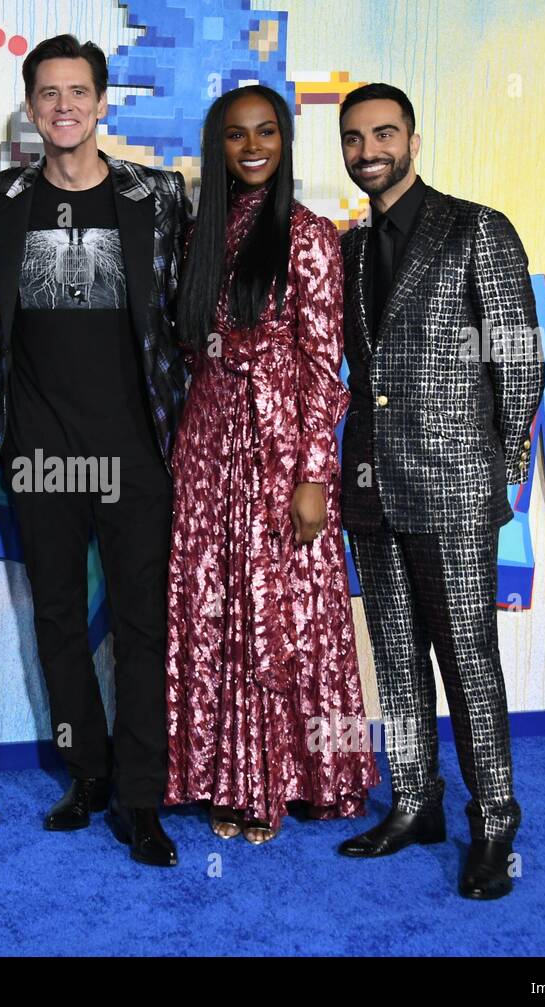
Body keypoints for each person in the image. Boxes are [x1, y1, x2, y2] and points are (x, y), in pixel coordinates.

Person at [0, 34, 192, 866]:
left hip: (136, 450)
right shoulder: (0, 199)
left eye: (79, 92)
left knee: (141, 627)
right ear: (31, 108)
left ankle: (142, 797)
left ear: (102, 103)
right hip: (38, 451)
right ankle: (88, 774)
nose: (64, 105)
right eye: (48, 93)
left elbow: (183, 316)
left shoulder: (157, 195)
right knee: (59, 619)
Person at [334, 83, 545, 899]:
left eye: (383, 134)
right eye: (354, 139)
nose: (367, 151)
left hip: (455, 489)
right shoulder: (353, 251)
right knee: (395, 654)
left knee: (468, 658)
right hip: (373, 487)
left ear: (414, 140)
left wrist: (499, 472)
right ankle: (415, 802)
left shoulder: (477, 229)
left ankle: (494, 818)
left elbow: (520, 359)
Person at [164, 85, 380, 844]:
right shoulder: (199, 237)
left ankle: (301, 781)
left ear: (285, 142)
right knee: (217, 608)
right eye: (235, 135)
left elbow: (327, 368)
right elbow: (192, 350)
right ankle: (225, 779)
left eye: (266, 133)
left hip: (282, 449)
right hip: (205, 445)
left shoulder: (312, 235)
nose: (252, 146)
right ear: (217, 145)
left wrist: (314, 473)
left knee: (283, 615)